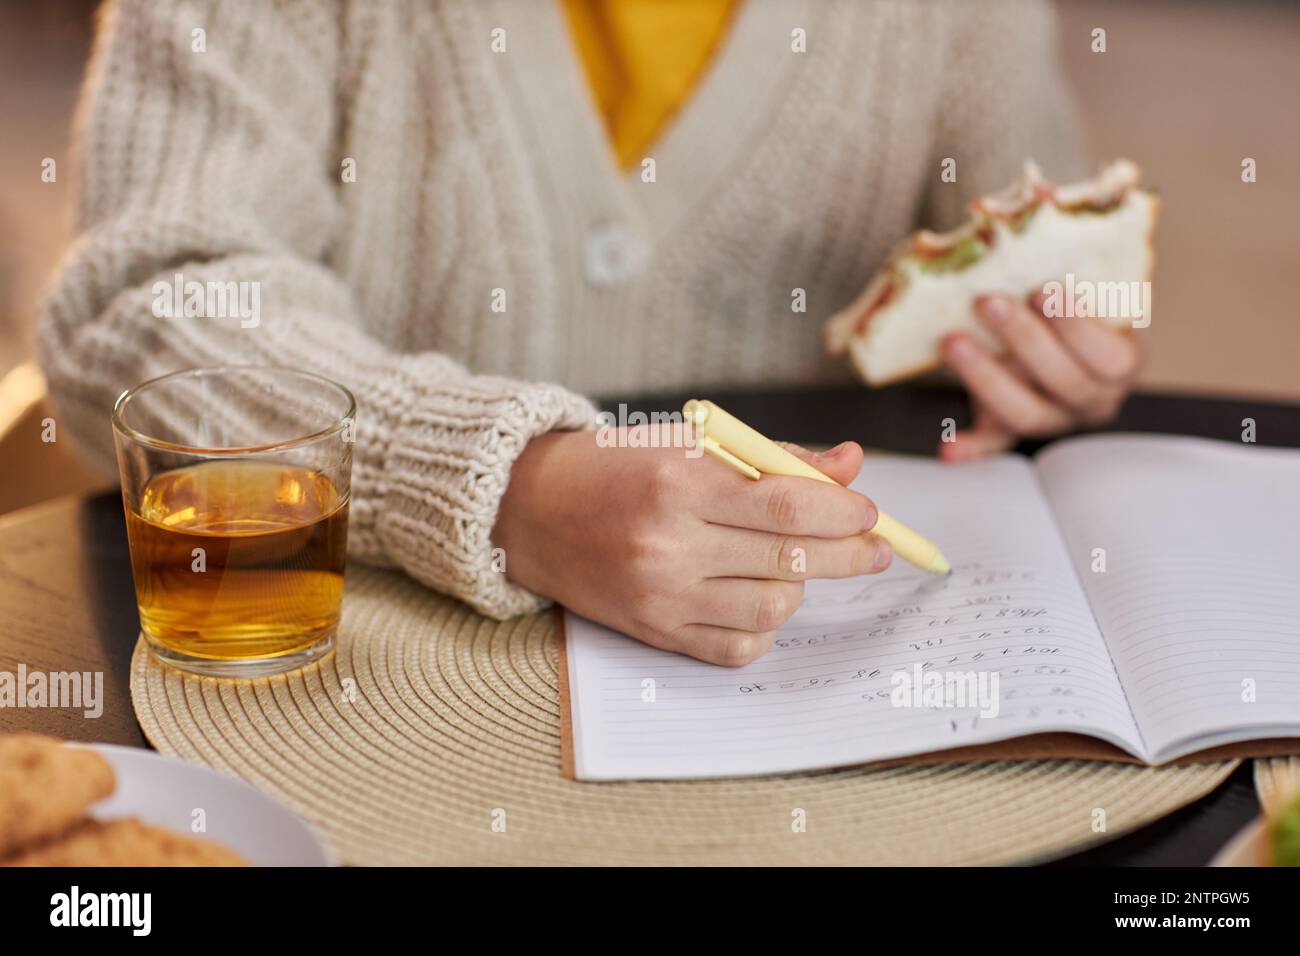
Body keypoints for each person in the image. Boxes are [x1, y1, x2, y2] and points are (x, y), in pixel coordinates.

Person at [40, 0, 1138, 666]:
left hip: (804, 669)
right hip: (358, 648)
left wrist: (1059, 349)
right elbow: (145, 294)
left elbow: (1026, 222)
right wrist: (505, 481)